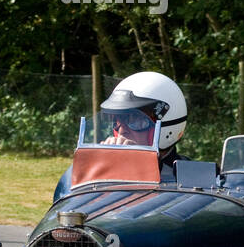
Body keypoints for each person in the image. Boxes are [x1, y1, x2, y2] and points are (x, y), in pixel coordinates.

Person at [54, 71, 188, 200]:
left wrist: (137, 165)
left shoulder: (189, 179)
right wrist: (98, 165)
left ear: (167, 125)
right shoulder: (84, 172)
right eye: (117, 121)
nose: (122, 131)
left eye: (135, 120)